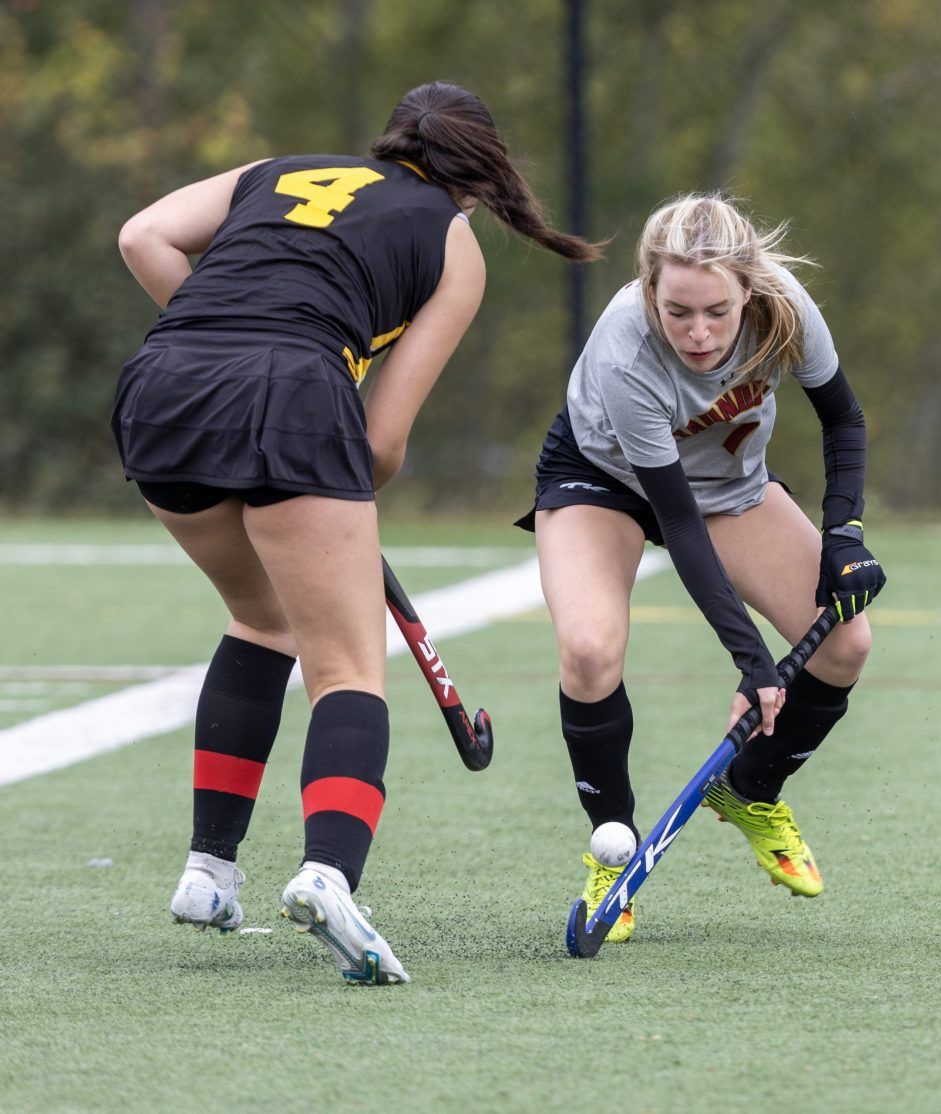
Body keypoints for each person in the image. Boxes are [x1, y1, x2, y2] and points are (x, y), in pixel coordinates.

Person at [111, 81, 603, 984]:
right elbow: (379, 442)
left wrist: (224, 349)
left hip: (162, 387)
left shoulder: (280, 169)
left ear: (391, 142)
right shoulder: (453, 241)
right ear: (477, 180)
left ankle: (208, 874)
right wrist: (328, 469)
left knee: (262, 620)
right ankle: (328, 875)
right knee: (344, 667)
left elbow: (142, 235)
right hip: (293, 396)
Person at [516, 194, 885, 943]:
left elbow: (843, 418)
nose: (699, 333)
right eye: (677, 312)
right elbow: (677, 522)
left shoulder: (785, 307)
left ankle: (750, 789)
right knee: (589, 650)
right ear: (649, 289)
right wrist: (752, 662)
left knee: (846, 645)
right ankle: (614, 852)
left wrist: (844, 532)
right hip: (604, 479)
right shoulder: (625, 349)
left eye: (718, 311)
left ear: (748, 287)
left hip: (726, 485)